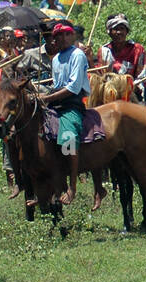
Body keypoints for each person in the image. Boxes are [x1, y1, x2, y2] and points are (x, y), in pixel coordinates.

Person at [43, 22, 102, 208]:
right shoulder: (55, 59)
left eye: (63, 35)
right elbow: (56, 83)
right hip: (55, 101)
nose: (59, 39)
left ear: (72, 36)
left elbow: (74, 87)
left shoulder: (78, 54)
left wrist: (48, 97)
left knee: (68, 137)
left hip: (72, 103)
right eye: (56, 36)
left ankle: (73, 187)